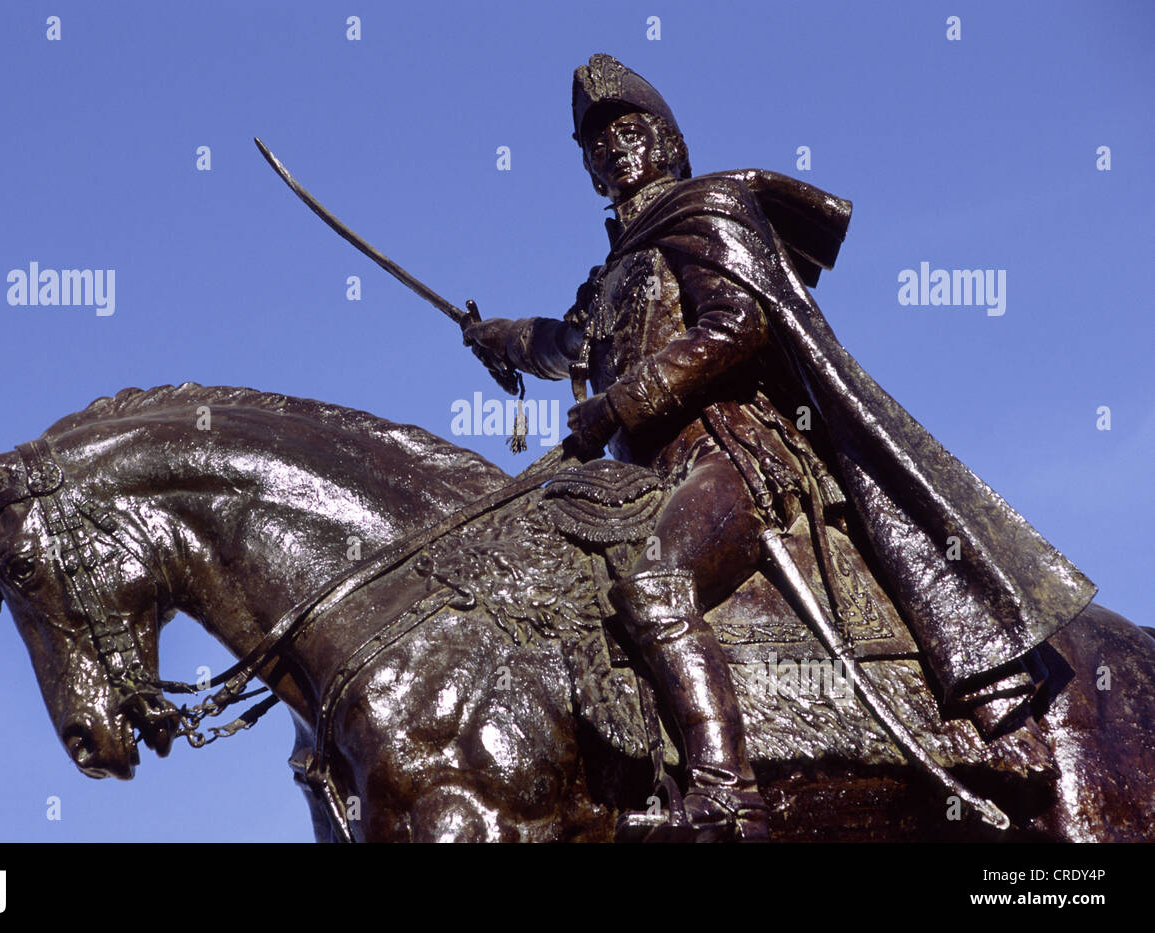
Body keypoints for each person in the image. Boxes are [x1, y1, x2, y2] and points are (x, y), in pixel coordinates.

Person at [464, 54, 1095, 842]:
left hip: (728, 455)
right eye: (599, 145)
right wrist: (492, 337)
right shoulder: (611, 279)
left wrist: (618, 404)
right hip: (641, 480)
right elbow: (563, 342)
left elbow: (737, 324)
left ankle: (728, 792)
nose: (616, 149)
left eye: (632, 130)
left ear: (668, 142)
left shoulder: (703, 211)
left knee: (656, 584)